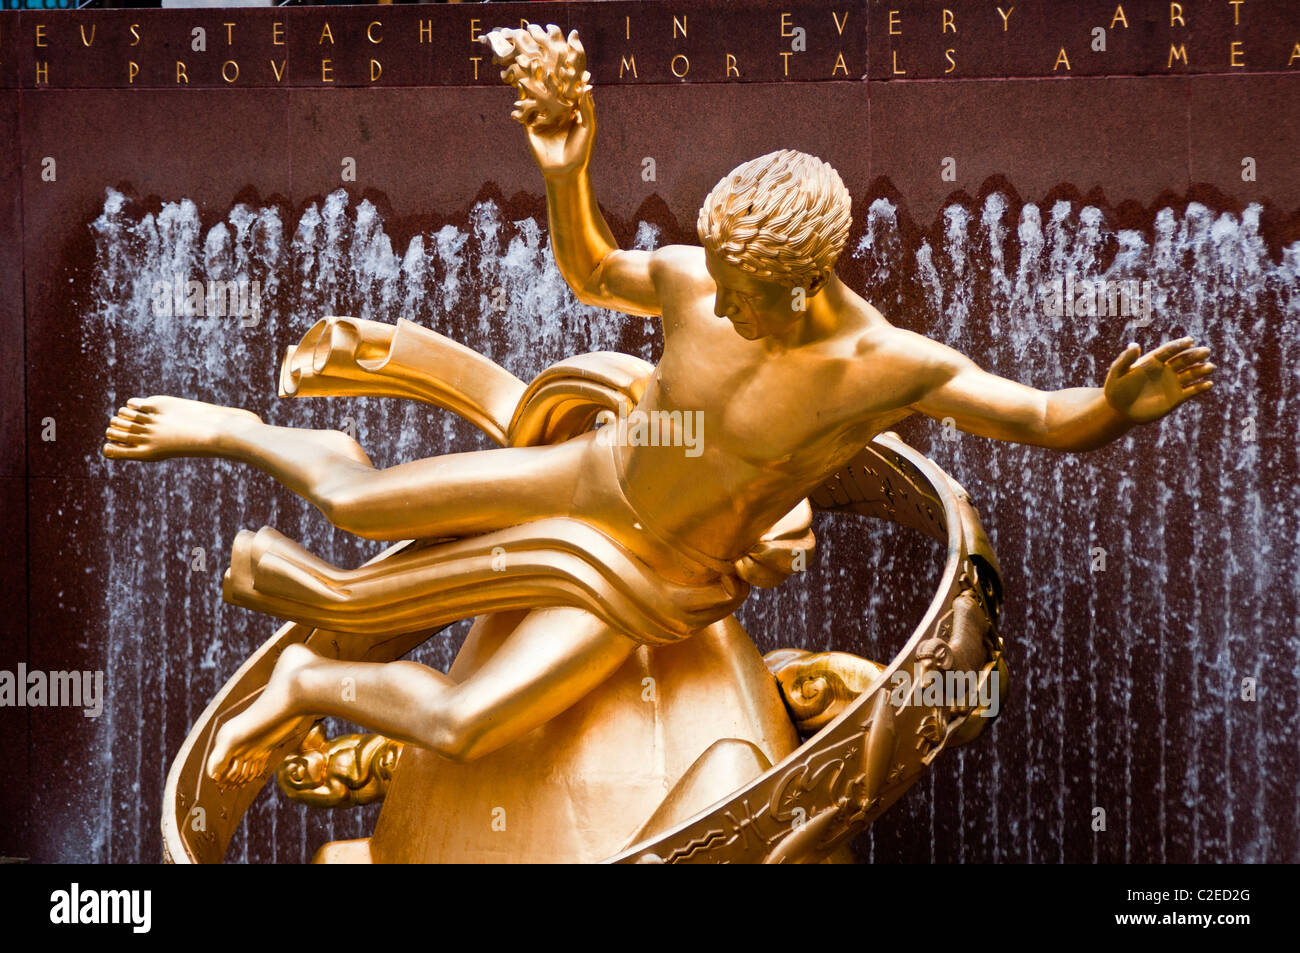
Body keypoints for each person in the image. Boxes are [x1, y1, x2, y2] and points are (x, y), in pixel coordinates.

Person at [103, 88, 1214, 791]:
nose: (714, 307)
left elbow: (1032, 414)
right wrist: (564, 167)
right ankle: (243, 432)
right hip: (582, 472)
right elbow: (590, 269)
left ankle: (305, 679)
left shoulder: (886, 369)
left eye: (741, 295)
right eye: (713, 281)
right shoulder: (693, 278)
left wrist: (1112, 407)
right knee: (358, 502)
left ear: (806, 281)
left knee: (458, 717)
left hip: (649, 575)